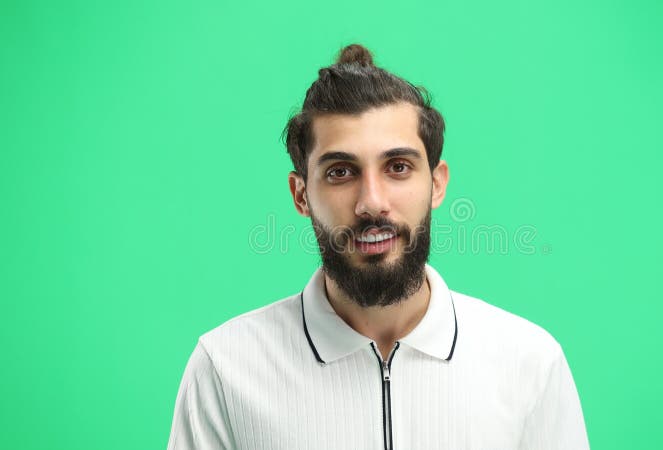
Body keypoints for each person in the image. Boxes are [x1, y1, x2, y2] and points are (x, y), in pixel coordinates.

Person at [167, 43, 590, 450]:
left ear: (436, 183)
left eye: (398, 167)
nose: (372, 202)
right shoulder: (224, 369)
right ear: (301, 195)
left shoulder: (531, 364)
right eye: (340, 172)